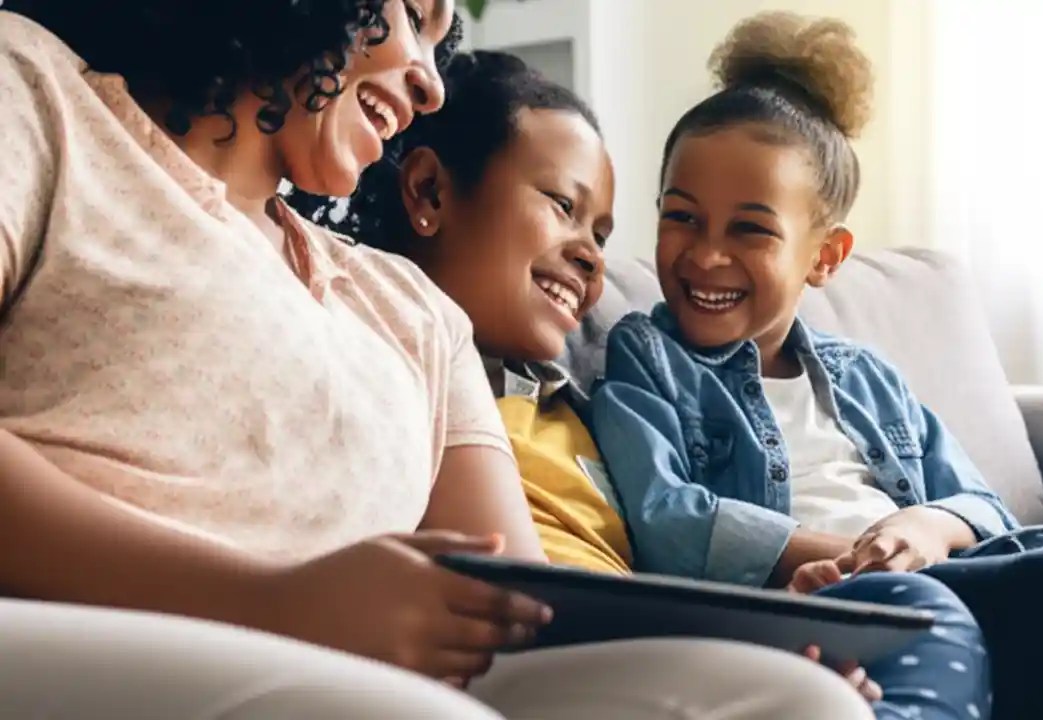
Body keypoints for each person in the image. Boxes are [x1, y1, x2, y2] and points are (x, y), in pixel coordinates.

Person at [0, 3, 865, 718]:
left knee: (792, 701)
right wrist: (278, 601)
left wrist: (752, 641)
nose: (429, 77)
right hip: (76, 632)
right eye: (411, 17)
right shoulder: (39, 94)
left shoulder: (409, 308)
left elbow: (523, 603)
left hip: (354, 679)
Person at [589, 10, 1043, 719]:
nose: (705, 254)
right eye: (682, 217)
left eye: (750, 229)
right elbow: (668, 520)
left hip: (966, 585)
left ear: (825, 256)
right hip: (854, 604)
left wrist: (921, 531)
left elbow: (980, 506)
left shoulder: (865, 378)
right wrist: (859, 554)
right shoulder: (649, 358)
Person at [294, 45, 995, 720]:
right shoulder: (388, 360)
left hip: (665, 653)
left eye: (600, 234)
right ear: (426, 190)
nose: (591, 259)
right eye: (562, 207)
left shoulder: (570, 408)